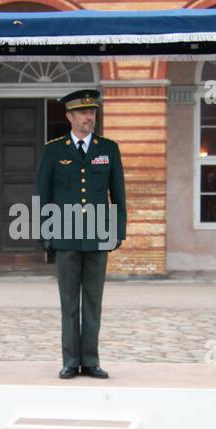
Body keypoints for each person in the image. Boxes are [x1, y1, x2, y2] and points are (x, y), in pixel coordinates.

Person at [34, 88, 126, 380]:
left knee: (93, 303)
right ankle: (70, 361)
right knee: (69, 302)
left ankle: (91, 360)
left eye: (93, 112)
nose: (90, 117)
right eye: (84, 112)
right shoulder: (53, 150)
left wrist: (117, 230)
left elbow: (118, 194)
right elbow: (42, 193)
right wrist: (44, 232)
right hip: (65, 236)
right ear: (69, 116)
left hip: (98, 234)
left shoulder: (108, 148)